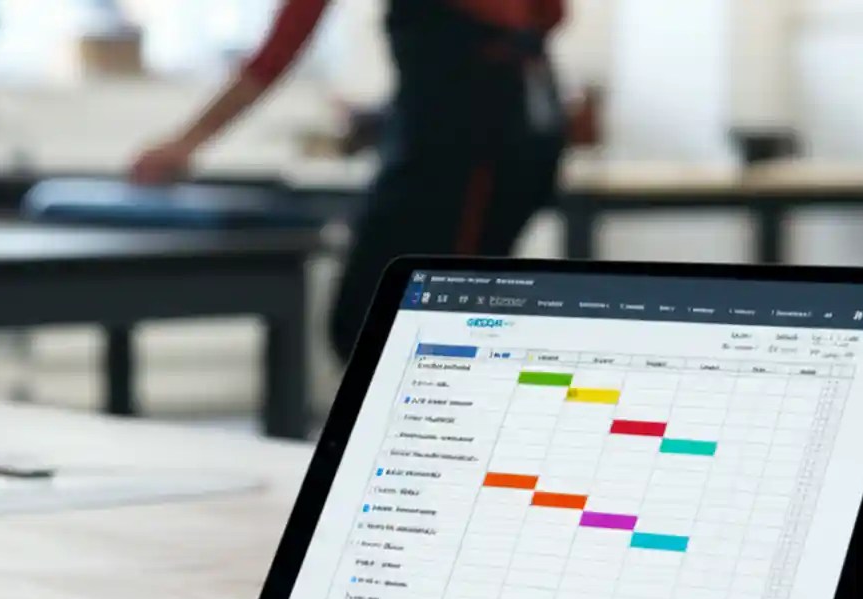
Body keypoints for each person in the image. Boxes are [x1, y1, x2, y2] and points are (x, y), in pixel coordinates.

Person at [132, 0, 567, 361]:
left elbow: (280, 48)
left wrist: (187, 142)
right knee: (397, 324)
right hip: (505, 129)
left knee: (417, 327)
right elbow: (549, 15)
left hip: (478, 144)